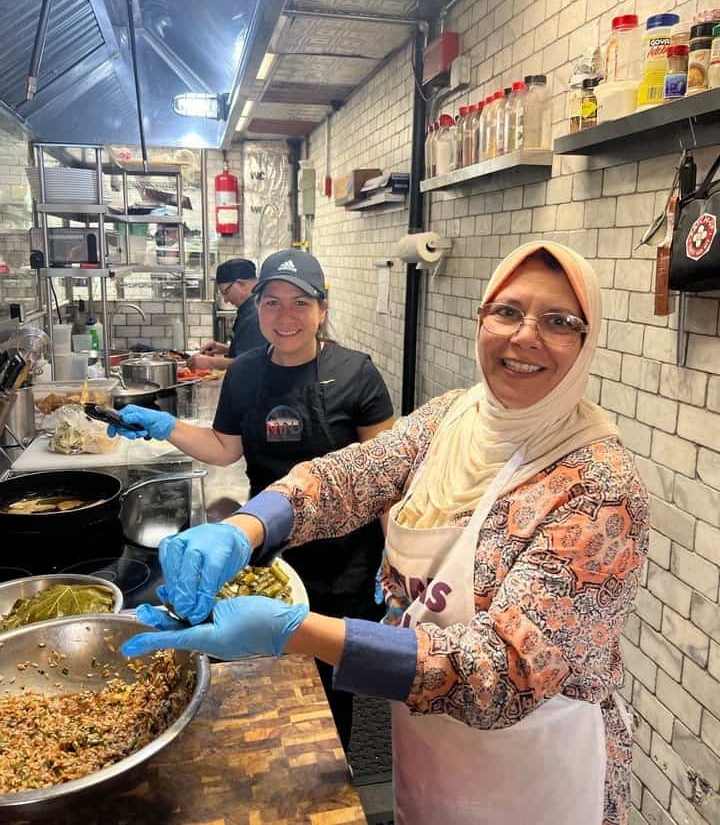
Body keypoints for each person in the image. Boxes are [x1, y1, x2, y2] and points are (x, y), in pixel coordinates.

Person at [122, 240, 649, 825]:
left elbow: (501, 670)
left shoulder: (600, 486)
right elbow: (353, 474)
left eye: (558, 321)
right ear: (482, 319)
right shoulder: (454, 416)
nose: (524, 337)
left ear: (586, 341)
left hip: (536, 769)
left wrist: (297, 631)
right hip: (432, 741)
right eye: (507, 311)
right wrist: (246, 528)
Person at [111, 248, 395, 750]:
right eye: (272, 302)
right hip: (267, 549)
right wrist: (168, 427)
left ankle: (335, 764)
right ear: (256, 307)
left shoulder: (357, 373)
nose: (286, 317)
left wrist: (396, 556)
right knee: (266, 662)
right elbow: (224, 449)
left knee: (333, 674)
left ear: (322, 309)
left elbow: (387, 478)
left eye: (300, 303)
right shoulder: (243, 373)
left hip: (346, 558)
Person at [186, 258, 266, 372]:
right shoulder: (251, 308)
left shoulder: (256, 315)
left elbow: (252, 365)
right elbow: (254, 352)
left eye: (226, 292)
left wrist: (210, 362)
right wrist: (226, 349)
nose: (226, 299)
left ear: (241, 284)